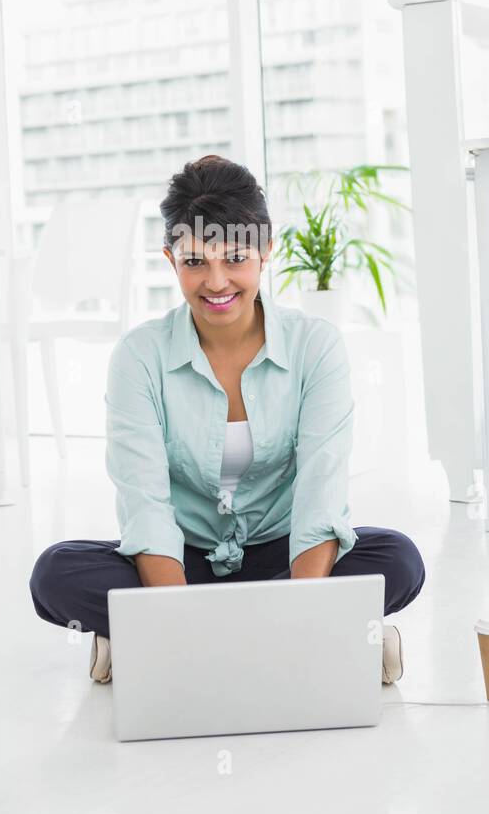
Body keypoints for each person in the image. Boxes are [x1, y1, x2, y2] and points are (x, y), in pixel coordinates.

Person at [29, 154, 426, 685]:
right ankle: (310, 636)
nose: (216, 283)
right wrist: (180, 615)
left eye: (235, 258)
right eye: (194, 262)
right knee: (57, 573)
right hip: (179, 565)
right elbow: (145, 505)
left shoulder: (315, 346)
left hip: (285, 557)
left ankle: (150, 639)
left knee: (398, 560)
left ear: (266, 251)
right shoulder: (140, 356)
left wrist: (301, 605)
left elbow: (320, 492)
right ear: (171, 260)